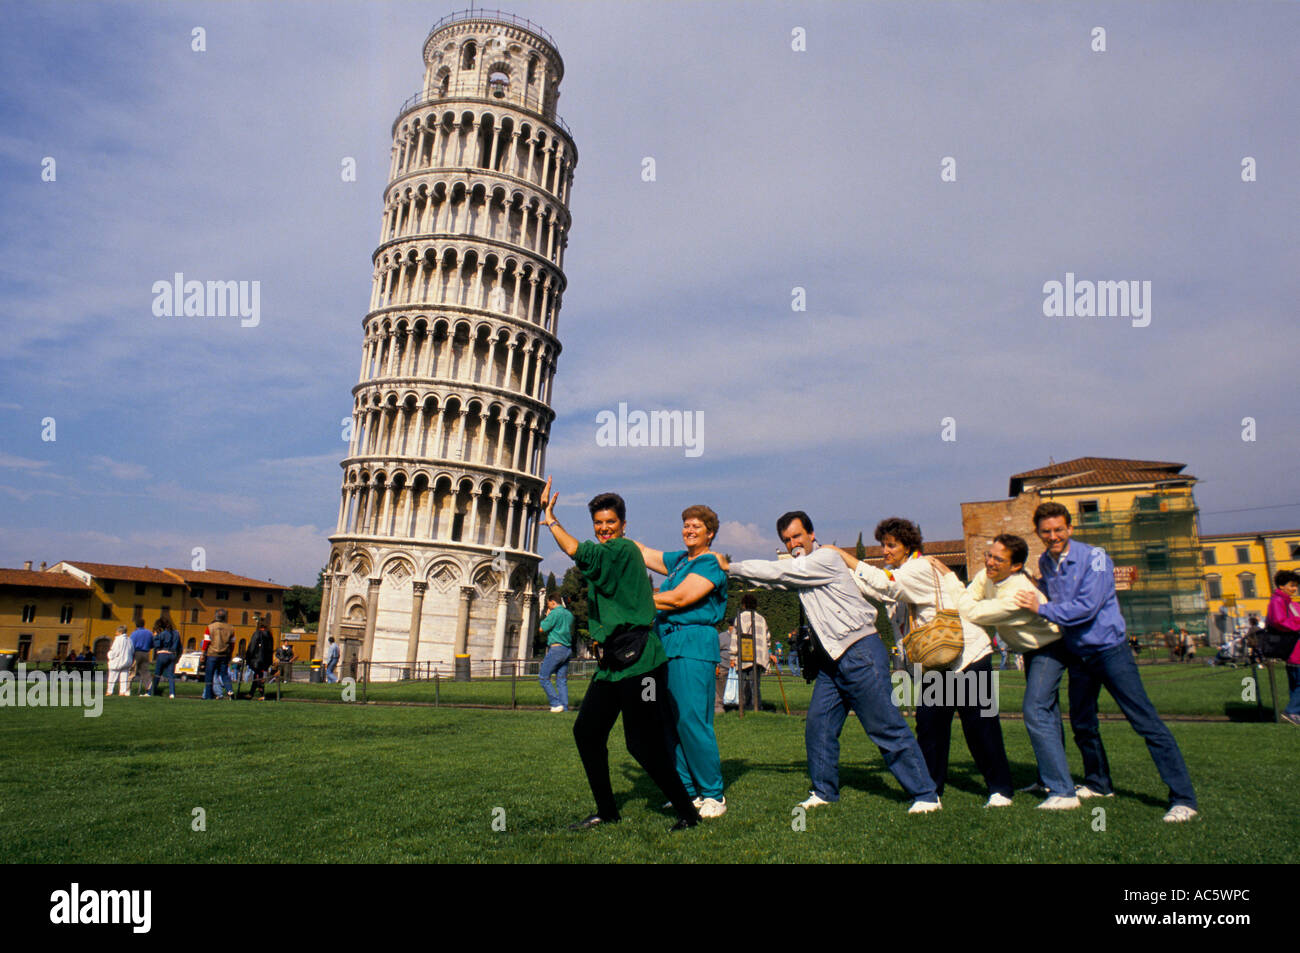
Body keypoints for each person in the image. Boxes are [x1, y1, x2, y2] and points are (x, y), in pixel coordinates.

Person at [727, 511, 940, 814]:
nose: (793, 543)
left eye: (797, 536)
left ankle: (925, 794)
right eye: (787, 540)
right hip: (832, 661)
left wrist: (728, 565)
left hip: (860, 651)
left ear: (812, 535)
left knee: (884, 727)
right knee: (819, 725)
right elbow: (774, 579)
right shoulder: (802, 570)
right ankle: (824, 791)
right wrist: (733, 574)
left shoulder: (825, 558)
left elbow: (779, 574)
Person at [1014, 501, 1198, 822]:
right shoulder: (1045, 561)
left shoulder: (1096, 558)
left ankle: (1183, 798)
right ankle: (1099, 784)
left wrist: (1039, 609)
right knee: (1083, 724)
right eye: (1046, 531)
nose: (1053, 536)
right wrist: (1030, 586)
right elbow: (1050, 594)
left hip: (1110, 652)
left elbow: (1087, 606)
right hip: (1078, 655)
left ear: (1070, 528)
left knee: (1145, 723)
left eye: (1059, 529)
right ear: (1038, 533)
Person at [540, 477, 700, 831]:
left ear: (623, 526)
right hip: (613, 663)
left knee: (643, 744)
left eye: (610, 523)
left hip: (643, 665)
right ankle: (607, 811)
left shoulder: (624, 550)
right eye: (598, 524)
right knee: (587, 731)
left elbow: (577, 552)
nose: (604, 529)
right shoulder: (608, 558)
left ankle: (688, 813)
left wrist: (550, 519)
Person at [833, 518, 1013, 809]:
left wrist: (844, 556)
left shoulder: (918, 568)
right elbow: (873, 588)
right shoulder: (899, 573)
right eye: (884, 544)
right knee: (930, 728)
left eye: (892, 545)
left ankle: (1000, 789)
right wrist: (830, 563)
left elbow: (885, 585)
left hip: (967, 655)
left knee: (980, 727)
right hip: (935, 663)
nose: (885, 550)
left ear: (908, 546)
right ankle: (931, 790)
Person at [953, 534, 1079, 809]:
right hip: (1032, 650)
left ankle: (1063, 792)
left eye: (999, 559)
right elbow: (968, 601)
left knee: (1035, 711)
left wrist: (972, 600)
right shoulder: (989, 576)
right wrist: (972, 599)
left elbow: (971, 611)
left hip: (1050, 648)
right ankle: (1048, 780)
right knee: (1049, 715)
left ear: (1016, 566)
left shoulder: (1020, 594)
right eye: (990, 554)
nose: (990, 562)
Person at [634, 505, 729, 818]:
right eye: (686, 525)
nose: (689, 530)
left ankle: (713, 794)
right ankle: (687, 792)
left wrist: (633, 601)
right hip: (667, 644)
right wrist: (614, 537)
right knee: (670, 723)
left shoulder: (710, 563)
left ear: (710, 533)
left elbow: (679, 599)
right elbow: (645, 552)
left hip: (693, 644)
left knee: (692, 720)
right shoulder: (678, 561)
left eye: (696, 527)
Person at [1264, 570, 1300, 727]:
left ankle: (1294, 715)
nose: (1295, 589)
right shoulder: (1278, 601)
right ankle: (1291, 711)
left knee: (1296, 685)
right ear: (1281, 586)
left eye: (1296, 586)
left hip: (1293, 651)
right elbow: (1279, 621)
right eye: (1292, 586)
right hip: (1294, 650)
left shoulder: (1287, 601)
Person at [729, 594, 770, 712]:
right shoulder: (762, 619)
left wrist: (732, 656)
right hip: (758, 656)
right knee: (755, 685)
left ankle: (742, 708)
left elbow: (735, 639)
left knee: (741, 685)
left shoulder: (740, 617)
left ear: (743, 604)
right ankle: (757, 708)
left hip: (744, 654)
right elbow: (767, 639)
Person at [538, 595, 575, 712]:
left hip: (556, 649)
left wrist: (547, 616)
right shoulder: (569, 614)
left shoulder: (554, 613)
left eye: (548, 603)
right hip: (567, 649)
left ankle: (555, 703)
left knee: (543, 677)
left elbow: (542, 628)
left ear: (553, 602)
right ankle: (564, 707)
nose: (548, 606)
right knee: (561, 679)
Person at [203, 609, 235, 700]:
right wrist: (230, 653)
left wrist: (203, 653)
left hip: (212, 654)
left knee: (209, 675)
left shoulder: (210, 627)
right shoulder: (231, 628)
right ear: (225, 617)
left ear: (215, 616)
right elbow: (232, 643)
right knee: (224, 674)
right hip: (224, 654)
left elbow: (206, 642)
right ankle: (230, 691)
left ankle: (208, 696)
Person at [150, 616, 182, 699]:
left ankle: (151, 692)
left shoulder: (163, 634)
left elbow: (157, 645)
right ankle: (172, 693)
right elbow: (180, 647)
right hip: (172, 655)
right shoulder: (176, 633)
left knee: (157, 674)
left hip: (163, 654)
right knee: (171, 676)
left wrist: (155, 636)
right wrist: (177, 657)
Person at [245, 620, 274, 700]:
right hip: (266, 660)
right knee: (258, 675)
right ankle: (252, 693)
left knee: (258, 676)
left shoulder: (257, 633)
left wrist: (248, 657)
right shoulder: (270, 635)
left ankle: (261, 694)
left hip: (257, 659)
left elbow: (252, 646)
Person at [129, 618, 154, 696]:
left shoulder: (134, 633)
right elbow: (153, 644)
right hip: (146, 653)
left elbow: (131, 645)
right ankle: (149, 690)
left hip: (136, 652)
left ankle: (127, 690)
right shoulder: (149, 633)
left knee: (132, 671)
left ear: (136, 625)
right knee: (145, 672)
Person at [106, 626, 134, 697]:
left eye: (116, 632)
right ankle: (122, 692)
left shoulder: (118, 640)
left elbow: (115, 651)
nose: (115, 633)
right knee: (124, 677)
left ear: (120, 632)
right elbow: (132, 650)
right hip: (127, 661)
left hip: (117, 661)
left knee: (112, 677)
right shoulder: (129, 640)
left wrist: (109, 655)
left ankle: (109, 691)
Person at [715, 623, 732, 713]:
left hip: (734, 669)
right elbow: (715, 650)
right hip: (722, 666)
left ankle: (733, 706)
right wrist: (717, 666)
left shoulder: (738, 637)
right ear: (730, 626)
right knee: (719, 689)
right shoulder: (722, 637)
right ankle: (718, 707)